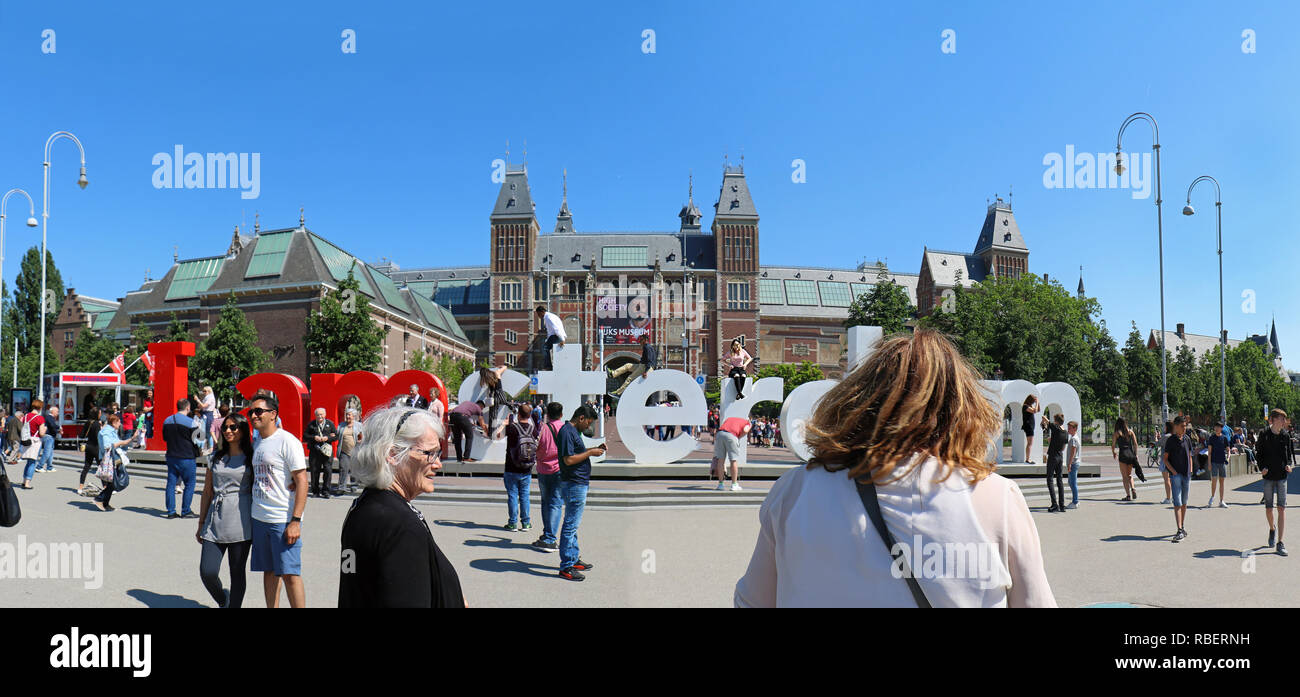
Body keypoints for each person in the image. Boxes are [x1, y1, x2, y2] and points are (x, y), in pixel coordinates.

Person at [734, 330, 1055, 607]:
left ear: (858, 398)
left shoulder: (795, 490)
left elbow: (752, 601)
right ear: (961, 407)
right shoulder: (995, 497)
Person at [339, 407, 464, 607]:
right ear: (393, 454)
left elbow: (356, 583)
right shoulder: (400, 525)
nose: (438, 463)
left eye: (438, 453)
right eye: (430, 453)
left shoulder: (363, 507)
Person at [248, 394, 309, 608]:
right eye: (251, 412)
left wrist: (295, 520)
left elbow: (302, 480)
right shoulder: (257, 442)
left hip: (282, 518)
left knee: (290, 574)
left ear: (273, 414)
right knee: (270, 571)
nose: (253, 415)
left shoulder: (287, 441)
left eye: (258, 411)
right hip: (259, 517)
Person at [196, 412, 254, 608]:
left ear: (243, 430)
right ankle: (223, 599)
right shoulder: (216, 457)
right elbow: (206, 491)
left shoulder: (252, 458)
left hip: (242, 519)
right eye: (225, 427)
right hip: (216, 517)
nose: (228, 430)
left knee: (237, 572)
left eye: (233, 427)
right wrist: (201, 522)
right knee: (208, 571)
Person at [556, 404, 605, 581]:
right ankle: (566, 566)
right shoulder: (567, 432)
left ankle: (573, 558)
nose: (589, 428)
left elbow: (575, 455)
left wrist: (591, 450)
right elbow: (568, 459)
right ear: (581, 418)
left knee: (572, 524)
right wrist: (591, 452)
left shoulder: (572, 432)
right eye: (588, 423)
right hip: (574, 483)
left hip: (576, 482)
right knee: (570, 525)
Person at [1257, 408, 1295, 556]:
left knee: (1281, 508)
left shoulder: (1285, 435)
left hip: (1281, 476)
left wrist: (1289, 464)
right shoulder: (1264, 434)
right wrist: (1262, 468)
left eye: (1284, 419)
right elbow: (1259, 453)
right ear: (1273, 419)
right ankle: (1272, 529)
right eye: (1282, 419)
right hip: (1268, 477)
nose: (1284, 422)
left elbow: (1289, 454)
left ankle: (1280, 542)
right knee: (1268, 509)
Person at [530, 401, 566, 553]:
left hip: (543, 470)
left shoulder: (542, 429)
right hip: (559, 470)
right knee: (556, 503)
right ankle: (551, 538)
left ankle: (547, 536)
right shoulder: (565, 428)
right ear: (561, 414)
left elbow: (535, 447)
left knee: (545, 502)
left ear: (547, 414)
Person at [163, 399, 200, 519]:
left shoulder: (167, 420)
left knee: (171, 483)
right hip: (187, 457)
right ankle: (186, 510)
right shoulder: (191, 422)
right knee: (189, 483)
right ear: (188, 408)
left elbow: (164, 438)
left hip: (171, 456)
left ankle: (171, 511)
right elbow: (200, 439)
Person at [503, 404, 537, 532]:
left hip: (511, 467)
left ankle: (512, 523)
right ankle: (526, 523)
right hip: (527, 468)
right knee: (525, 496)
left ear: (518, 414)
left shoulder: (511, 428)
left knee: (512, 495)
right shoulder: (533, 430)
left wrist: (505, 423)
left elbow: (497, 435)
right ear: (529, 416)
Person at [92, 414, 133, 512]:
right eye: (119, 422)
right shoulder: (106, 431)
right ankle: (99, 499)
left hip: (115, 458)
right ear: (114, 423)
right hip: (110, 459)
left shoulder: (112, 431)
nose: (120, 424)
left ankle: (105, 503)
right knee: (116, 481)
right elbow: (108, 446)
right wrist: (121, 443)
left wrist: (131, 438)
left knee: (113, 482)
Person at [1164, 416, 1194, 542]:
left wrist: (1191, 469)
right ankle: (1179, 528)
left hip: (1186, 474)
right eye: (1182, 426)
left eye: (1185, 425)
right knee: (1177, 502)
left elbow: (1190, 454)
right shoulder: (1171, 440)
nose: (1184, 428)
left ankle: (1182, 526)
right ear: (1175, 427)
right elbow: (1165, 459)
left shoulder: (1187, 438)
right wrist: (1174, 472)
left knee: (1184, 501)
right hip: (1176, 475)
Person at [304, 408, 338, 499]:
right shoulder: (311, 425)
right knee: (315, 471)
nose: (320, 416)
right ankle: (315, 491)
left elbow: (336, 436)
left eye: (322, 414)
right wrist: (314, 437)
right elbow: (305, 436)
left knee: (328, 471)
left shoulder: (330, 424)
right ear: (315, 415)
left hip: (327, 452)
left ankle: (326, 491)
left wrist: (327, 438)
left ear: (325, 415)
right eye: (318, 414)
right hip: (315, 451)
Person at [713, 415, 752, 491]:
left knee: (721, 460)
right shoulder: (747, 423)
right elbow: (745, 430)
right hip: (732, 436)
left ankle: (720, 484)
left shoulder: (729, 418)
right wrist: (738, 437)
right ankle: (734, 484)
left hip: (720, 434)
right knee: (733, 460)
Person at [1040, 412, 1069, 513]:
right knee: (1060, 480)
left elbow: (1046, 420)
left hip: (1053, 456)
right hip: (1060, 456)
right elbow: (1063, 447)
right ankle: (1062, 505)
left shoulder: (1055, 428)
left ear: (1056, 421)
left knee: (1050, 479)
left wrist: (1043, 417)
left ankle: (1054, 504)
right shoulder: (1065, 432)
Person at [19, 399, 47, 489]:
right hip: (35, 442)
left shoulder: (26, 416)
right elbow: (42, 433)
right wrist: (45, 429)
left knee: (28, 462)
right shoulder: (40, 418)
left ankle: (24, 481)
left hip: (26, 440)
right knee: (32, 462)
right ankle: (27, 483)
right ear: (40, 407)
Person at [1111, 417, 1140, 501]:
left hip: (1123, 454)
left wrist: (1114, 452)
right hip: (1131, 454)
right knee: (1129, 474)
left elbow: (1113, 445)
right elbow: (1135, 444)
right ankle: (1133, 488)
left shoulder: (1117, 433)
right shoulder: (1130, 432)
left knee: (1124, 477)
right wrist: (1136, 454)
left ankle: (1128, 495)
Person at [335, 408, 362, 495]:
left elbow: (363, 435)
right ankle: (341, 487)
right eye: (347, 415)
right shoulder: (341, 425)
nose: (347, 416)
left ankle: (354, 485)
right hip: (344, 451)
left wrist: (361, 440)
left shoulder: (359, 425)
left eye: (349, 415)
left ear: (353, 416)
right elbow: (336, 434)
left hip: (355, 450)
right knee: (343, 468)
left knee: (354, 469)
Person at [78, 410, 104, 496]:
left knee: (86, 467)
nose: (100, 414)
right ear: (97, 414)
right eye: (100, 413)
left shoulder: (88, 422)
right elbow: (98, 437)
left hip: (88, 446)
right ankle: (105, 487)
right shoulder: (97, 424)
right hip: (96, 448)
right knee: (101, 468)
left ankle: (80, 487)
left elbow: (82, 435)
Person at [534, 305, 566, 371]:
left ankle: (548, 366)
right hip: (555, 335)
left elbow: (556, 328)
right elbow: (550, 331)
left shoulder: (548, 317)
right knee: (548, 347)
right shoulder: (549, 316)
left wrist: (562, 339)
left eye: (538, 314)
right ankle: (550, 366)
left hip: (556, 336)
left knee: (545, 348)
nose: (538, 316)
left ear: (542, 312)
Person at [1207, 422, 1230, 508]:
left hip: (1222, 462)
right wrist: (1209, 463)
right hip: (1214, 462)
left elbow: (1228, 450)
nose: (1216, 428)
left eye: (1218, 427)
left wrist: (1228, 457)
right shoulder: (1211, 438)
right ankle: (1212, 497)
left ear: (1221, 428)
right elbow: (1209, 452)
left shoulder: (1224, 438)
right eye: (1215, 427)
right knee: (1214, 480)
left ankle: (1221, 500)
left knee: (1222, 482)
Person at [1065, 420, 1081, 509]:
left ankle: (1075, 501)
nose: (1068, 430)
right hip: (1074, 463)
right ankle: (1075, 500)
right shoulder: (1075, 437)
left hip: (1073, 463)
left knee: (1073, 482)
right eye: (1068, 428)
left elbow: (1073, 452)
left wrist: (1070, 464)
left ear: (1075, 429)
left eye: (1070, 428)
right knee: (1071, 482)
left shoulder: (1074, 439)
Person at [38, 403, 58, 473]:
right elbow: (53, 426)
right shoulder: (49, 417)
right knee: (47, 452)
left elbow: (52, 426)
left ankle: (49, 467)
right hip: (48, 437)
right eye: (57, 411)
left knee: (50, 453)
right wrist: (59, 428)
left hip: (50, 437)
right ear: (52, 411)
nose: (57, 413)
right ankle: (39, 466)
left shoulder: (50, 418)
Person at [1021, 395, 1040, 464]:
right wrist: (1037, 402)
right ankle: (1027, 459)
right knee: (1030, 443)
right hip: (1028, 426)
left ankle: (1028, 458)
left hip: (1030, 426)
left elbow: (1038, 410)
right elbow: (1034, 411)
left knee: (1030, 443)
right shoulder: (1025, 406)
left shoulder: (1030, 406)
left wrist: (1038, 403)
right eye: (1033, 400)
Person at [200, 386, 218, 451]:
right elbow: (200, 406)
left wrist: (197, 400)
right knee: (204, 432)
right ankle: (206, 447)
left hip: (208, 414)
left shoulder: (210, 397)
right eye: (203, 391)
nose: (203, 392)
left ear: (209, 391)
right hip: (205, 414)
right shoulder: (207, 397)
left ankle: (210, 447)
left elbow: (203, 405)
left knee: (208, 432)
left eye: (205, 391)